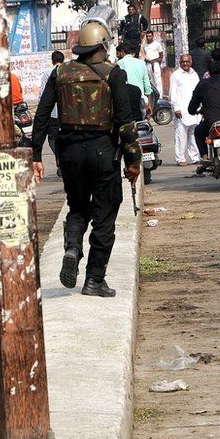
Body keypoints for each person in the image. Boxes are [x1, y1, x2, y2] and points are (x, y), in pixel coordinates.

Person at [31, 20, 141, 297]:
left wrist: (35, 154)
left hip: (69, 153)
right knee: (104, 216)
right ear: (102, 46)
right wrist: (133, 161)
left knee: (77, 207)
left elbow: (42, 115)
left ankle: (72, 247)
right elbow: (125, 122)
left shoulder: (60, 73)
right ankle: (94, 280)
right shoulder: (113, 74)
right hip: (102, 150)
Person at [170, 54, 201, 166]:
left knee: (193, 134)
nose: (185, 64)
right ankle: (180, 158)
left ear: (191, 62)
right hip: (181, 110)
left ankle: (195, 157)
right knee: (181, 136)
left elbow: (198, 91)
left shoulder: (194, 74)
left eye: (187, 61)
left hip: (194, 110)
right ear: (180, 62)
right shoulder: (176, 75)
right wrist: (176, 108)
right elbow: (172, 93)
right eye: (183, 62)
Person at [38, 52, 65, 176]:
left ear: (52, 60)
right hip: (66, 113)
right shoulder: (68, 72)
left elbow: (42, 95)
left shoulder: (47, 73)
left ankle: (61, 160)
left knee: (53, 139)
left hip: (52, 113)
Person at [118, 42, 153, 116]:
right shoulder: (141, 63)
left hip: (127, 101)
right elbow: (147, 86)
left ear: (122, 52)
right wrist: (149, 105)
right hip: (141, 100)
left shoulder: (120, 63)